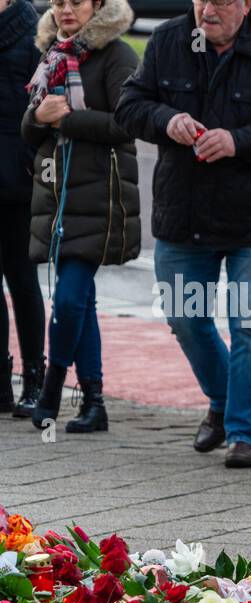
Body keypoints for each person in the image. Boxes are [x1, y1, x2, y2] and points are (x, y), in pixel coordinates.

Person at [116, 0, 251, 469]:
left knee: (249, 324)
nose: (208, 9)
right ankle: (224, 402)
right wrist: (167, 120)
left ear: (246, 5)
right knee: (186, 319)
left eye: (222, 0)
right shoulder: (168, 40)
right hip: (184, 216)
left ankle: (245, 434)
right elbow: (129, 106)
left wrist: (238, 141)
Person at [22, 0, 140, 433]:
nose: (65, 10)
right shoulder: (51, 54)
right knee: (82, 300)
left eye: (76, 2)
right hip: (58, 195)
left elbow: (128, 123)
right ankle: (94, 401)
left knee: (69, 298)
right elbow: (29, 129)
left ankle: (53, 386)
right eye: (57, 2)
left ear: (98, 6)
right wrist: (38, 116)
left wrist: (67, 120)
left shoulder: (118, 54)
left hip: (100, 196)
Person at [0, 0, 44, 417]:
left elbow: (43, 110)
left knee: (23, 283)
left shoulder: (32, 35)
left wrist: (30, 164)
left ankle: (35, 379)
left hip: (18, 183)